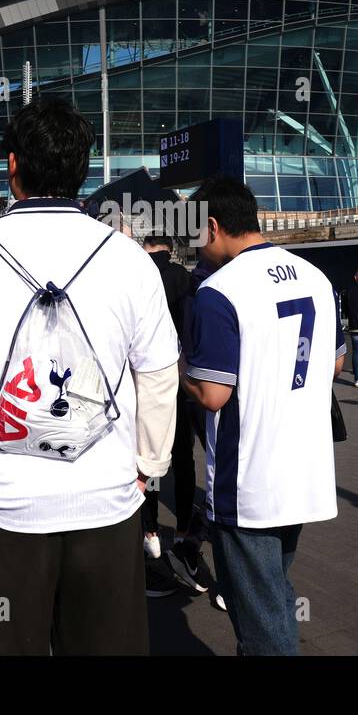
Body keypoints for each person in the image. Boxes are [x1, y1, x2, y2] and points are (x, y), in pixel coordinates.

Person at [0, 98, 180, 655]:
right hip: (107, 502)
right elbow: (158, 374)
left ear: (12, 166)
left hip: (0, 506)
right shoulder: (131, 261)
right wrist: (148, 467)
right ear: (82, 170)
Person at [181, 176, 343, 656]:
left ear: (212, 226)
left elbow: (211, 394)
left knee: (261, 615)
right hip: (305, 468)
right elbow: (334, 363)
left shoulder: (219, 290)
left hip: (249, 479)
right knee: (274, 591)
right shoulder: (316, 276)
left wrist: (171, 369)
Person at [139, 234, 219, 601]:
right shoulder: (187, 281)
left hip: (145, 380)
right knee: (183, 458)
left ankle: (151, 532)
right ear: (170, 248)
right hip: (183, 378)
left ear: (147, 247)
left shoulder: (138, 274)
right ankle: (185, 528)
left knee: (149, 458)